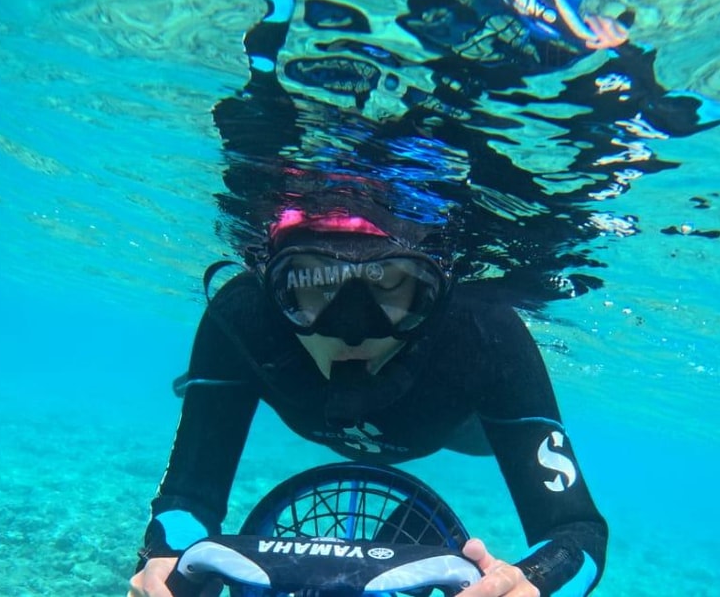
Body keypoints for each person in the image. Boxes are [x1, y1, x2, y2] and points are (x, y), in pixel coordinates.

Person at [129, 207, 608, 596]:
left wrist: (535, 582)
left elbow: (576, 532)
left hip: (463, 429)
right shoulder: (242, 318)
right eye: (311, 285)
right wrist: (166, 562)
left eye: (388, 285)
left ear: (430, 291)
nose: (352, 328)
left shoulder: (484, 333)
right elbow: (188, 499)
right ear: (272, 292)